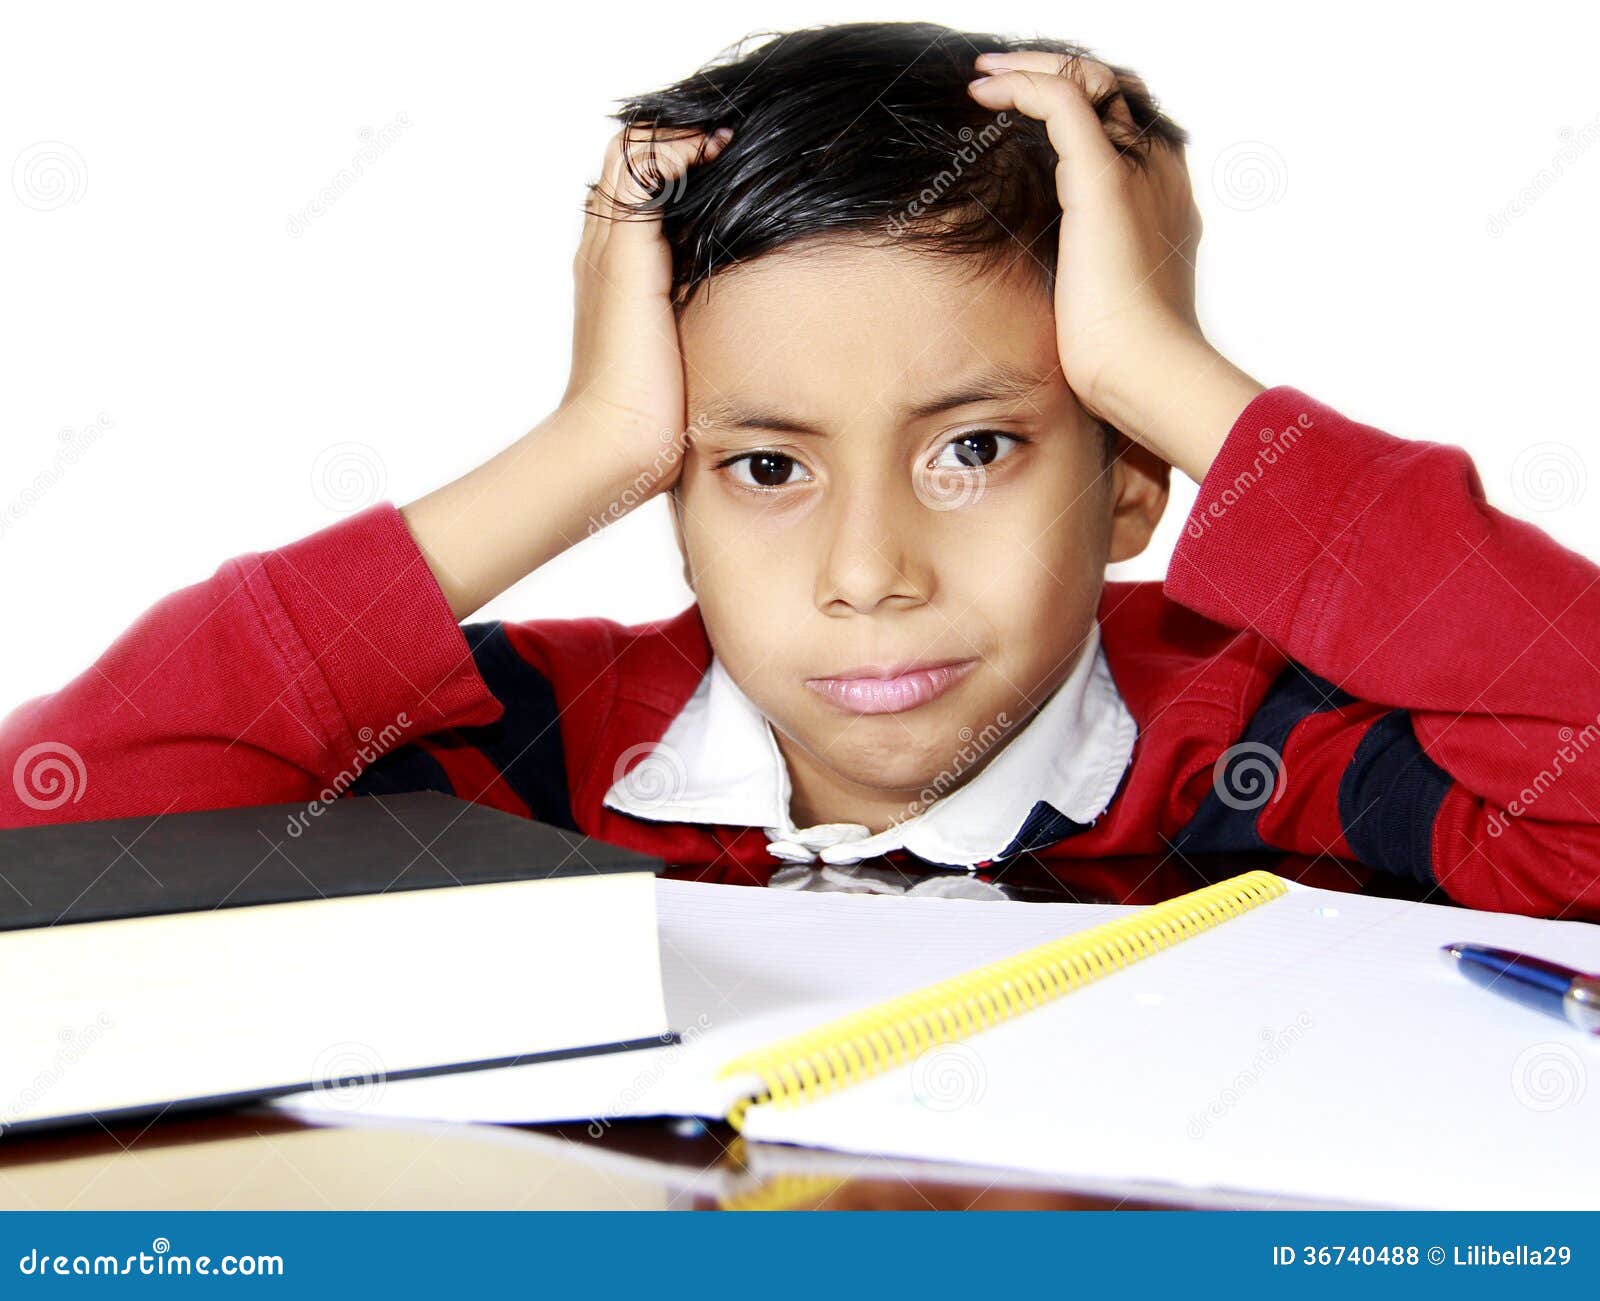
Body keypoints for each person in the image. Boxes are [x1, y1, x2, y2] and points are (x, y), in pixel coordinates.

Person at [5, 23, 1598, 919]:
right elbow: (51, 835)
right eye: (763, 466)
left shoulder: (1276, 750)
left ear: (1131, 477)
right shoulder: (535, 762)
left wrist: (1166, 374)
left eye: (976, 447)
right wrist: (580, 448)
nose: (867, 570)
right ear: (667, 500)